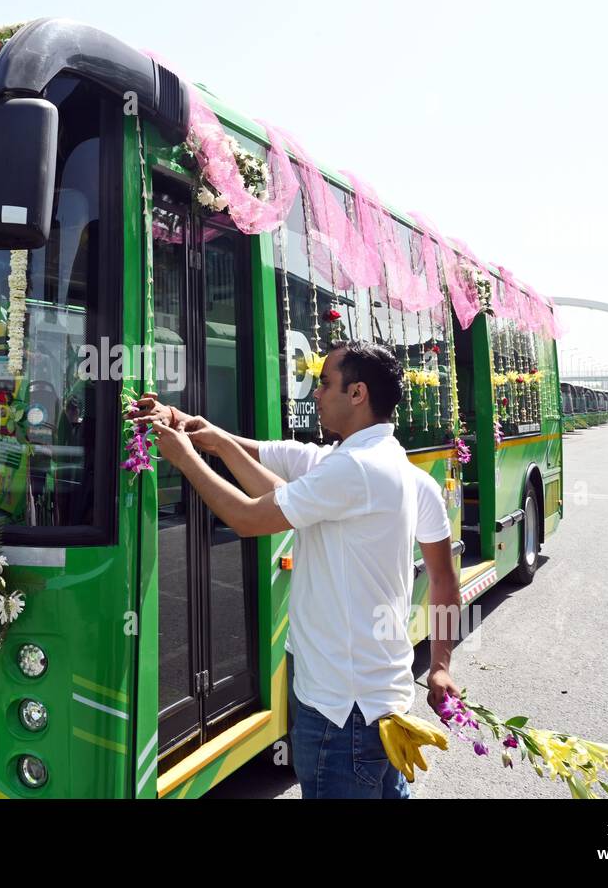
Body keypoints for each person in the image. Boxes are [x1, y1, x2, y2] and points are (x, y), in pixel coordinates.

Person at [129, 340, 460, 799]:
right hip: (386, 705)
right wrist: (440, 665)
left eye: (325, 383)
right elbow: (444, 579)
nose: (316, 394)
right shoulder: (400, 473)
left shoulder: (351, 471)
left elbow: (248, 517)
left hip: (339, 716)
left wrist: (184, 457)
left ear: (358, 393)